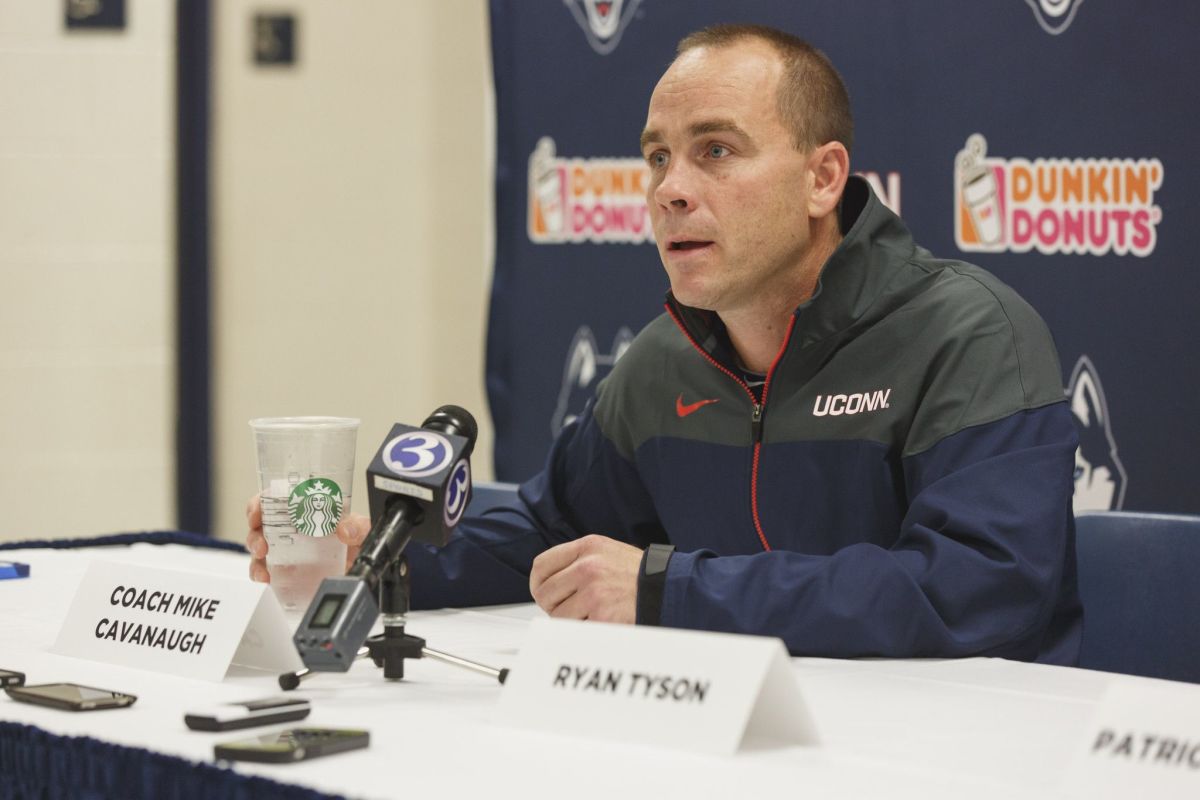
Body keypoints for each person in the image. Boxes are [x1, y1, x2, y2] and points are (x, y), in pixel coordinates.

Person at [248, 24, 1082, 663]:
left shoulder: (968, 335)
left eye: (715, 151)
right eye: (658, 158)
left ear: (824, 178)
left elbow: (978, 589)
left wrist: (666, 589)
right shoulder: (661, 363)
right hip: (738, 745)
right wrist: (376, 555)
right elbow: (549, 533)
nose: (670, 191)